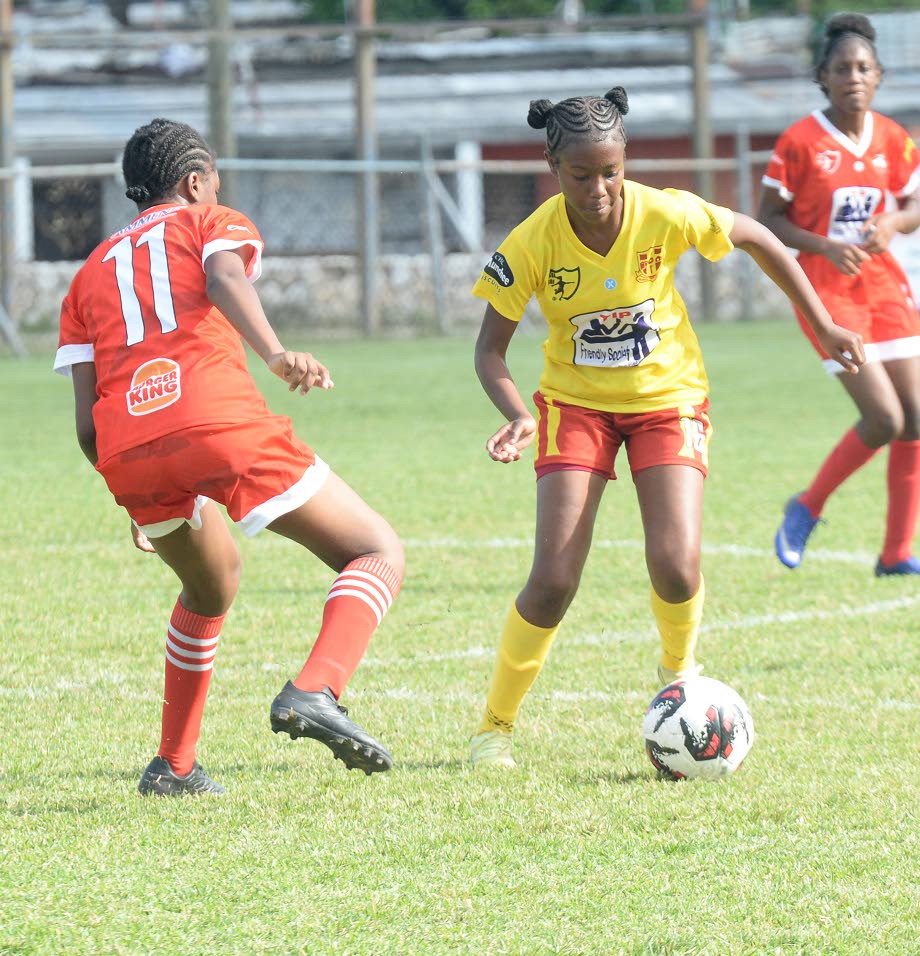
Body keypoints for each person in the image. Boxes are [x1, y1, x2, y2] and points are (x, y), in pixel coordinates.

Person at [468, 87, 864, 768]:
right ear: (552, 166)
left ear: (626, 162)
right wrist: (517, 414)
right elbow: (488, 351)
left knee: (676, 565)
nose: (598, 189)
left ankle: (679, 674)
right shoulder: (531, 240)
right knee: (555, 577)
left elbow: (760, 237)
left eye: (610, 172)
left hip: (668, 399)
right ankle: (494, 729)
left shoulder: (666, 212)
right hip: (575, 406)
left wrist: (823, 323)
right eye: (580, 175)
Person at [54, 119, 404, 796]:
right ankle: (318, 689)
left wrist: (133, 491)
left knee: (209, 587)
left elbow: (85, 421)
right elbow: (222, 278)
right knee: (376, 550)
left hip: (126, 452)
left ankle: (173, 767)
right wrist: (275, 353)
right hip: (215, 421)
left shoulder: (87, 276)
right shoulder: (208, 220)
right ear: (195, 181)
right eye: (212, 180)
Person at [759, 13, 920, 576]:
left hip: (884, 288)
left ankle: (897, 552)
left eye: (863, 67)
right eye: (842, 68)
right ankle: (806, 506)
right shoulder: (800, 142)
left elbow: (913, 205)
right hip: (827, 293)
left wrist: (895, 224)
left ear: (879, 76)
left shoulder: (895, 139)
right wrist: (823, 246)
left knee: (917, 417)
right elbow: (767, 221)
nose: (853, 76)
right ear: (822, 77)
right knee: (883, 418)